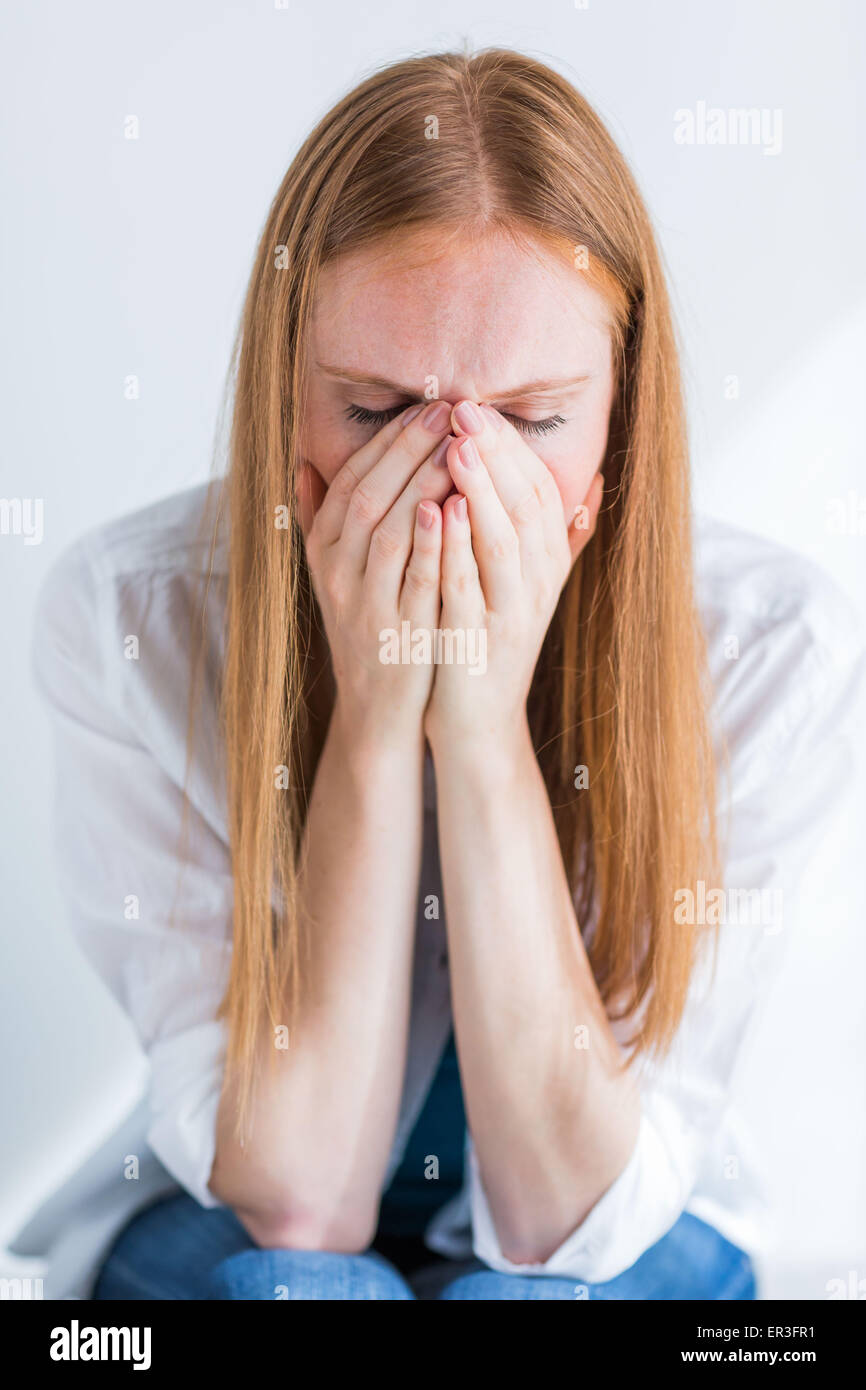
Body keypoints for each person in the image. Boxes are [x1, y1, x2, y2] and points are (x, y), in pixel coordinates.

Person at [31, 47, 863, 1300]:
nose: (454, 494)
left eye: (530, 424)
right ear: (282, 401)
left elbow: (566, 1225)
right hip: (254, 1225)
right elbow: (299, 1205)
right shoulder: (127, 617)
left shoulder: (769, 649)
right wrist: (373, 721)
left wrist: (478, 731)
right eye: (373, 417)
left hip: (618, 1224)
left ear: (620, 426)